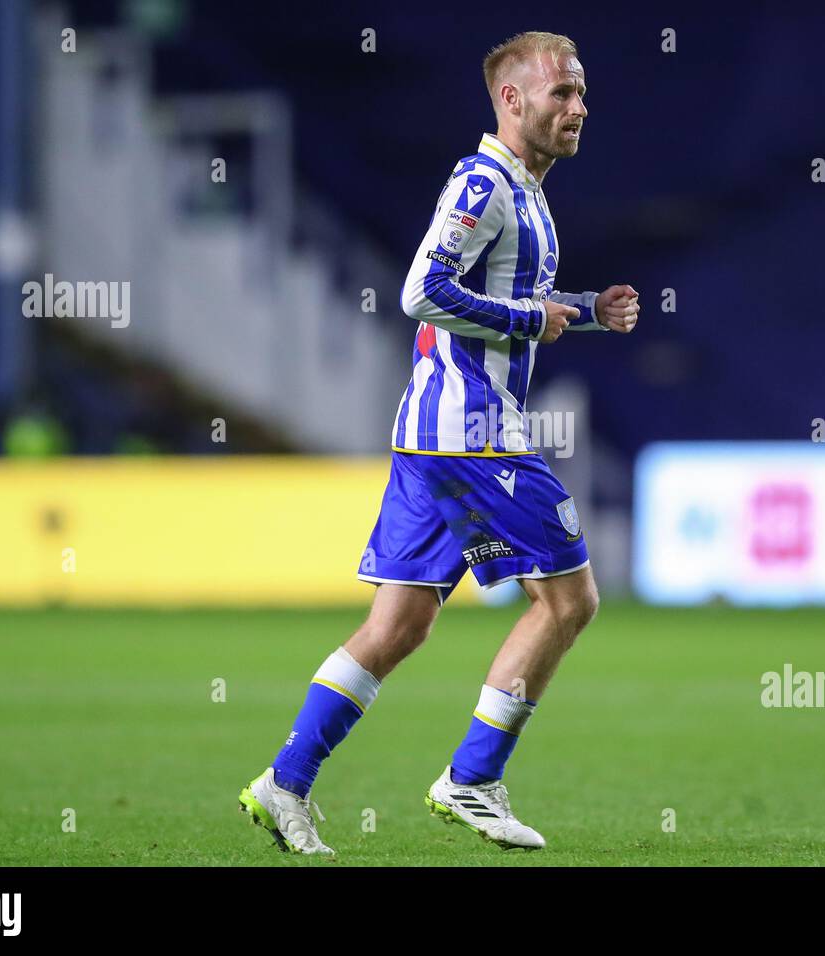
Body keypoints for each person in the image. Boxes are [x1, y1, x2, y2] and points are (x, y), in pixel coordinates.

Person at [238, 31, 640, 854]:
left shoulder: (525, 190)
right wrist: (533, 318)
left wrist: (587, 308)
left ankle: (283, 783)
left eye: (582, 91)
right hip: (475, 437)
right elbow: (422, 290)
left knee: (398, 628)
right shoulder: (485, 182)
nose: (578, 107)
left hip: (434, 440)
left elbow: (510, 294)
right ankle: (472, 779)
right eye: (560, 92)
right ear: (512, 100)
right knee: (569, 600)